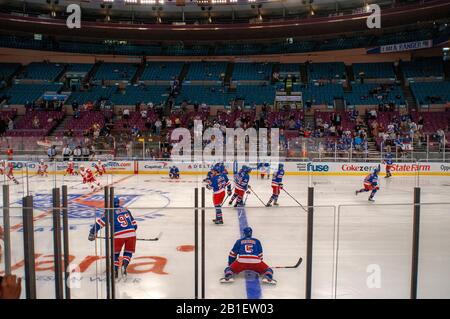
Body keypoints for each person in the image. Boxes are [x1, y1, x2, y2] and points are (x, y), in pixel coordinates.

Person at [88, 197, 137, 278]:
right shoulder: (126, 210)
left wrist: (92, 232)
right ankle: (125, 263)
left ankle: (115, 270)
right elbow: (135, 225)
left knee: (115, 254)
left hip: (118, 235)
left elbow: (99, 224)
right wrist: (130, 233)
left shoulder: (109, 212)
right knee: (128, 252)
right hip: (131, 234)